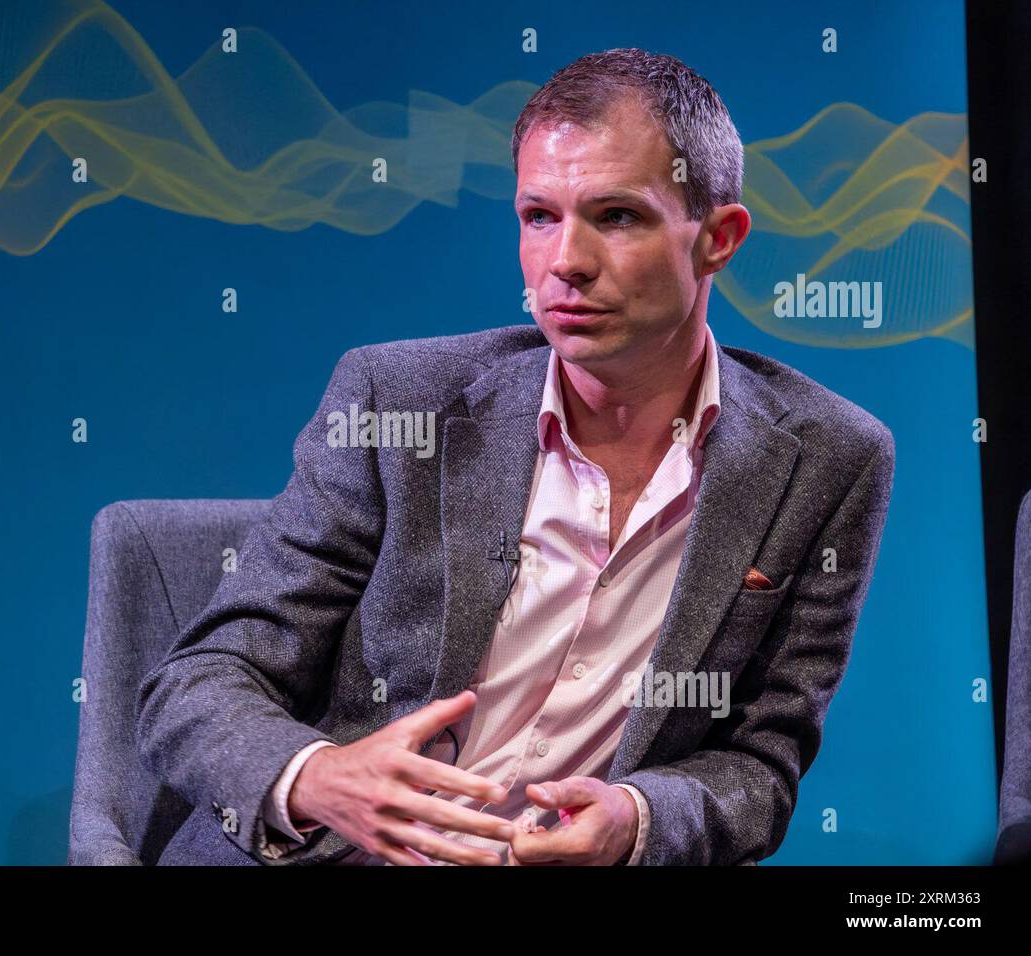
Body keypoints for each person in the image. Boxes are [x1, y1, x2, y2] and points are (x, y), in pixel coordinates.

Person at [136, 48, 895, 866]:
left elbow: (761, 761)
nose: (564, 262)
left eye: (616, 217)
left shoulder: (829, 457)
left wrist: (638, 820)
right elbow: (200, 682)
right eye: (539, 216)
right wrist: (321, 778)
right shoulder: (398, 403)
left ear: (718, 238)